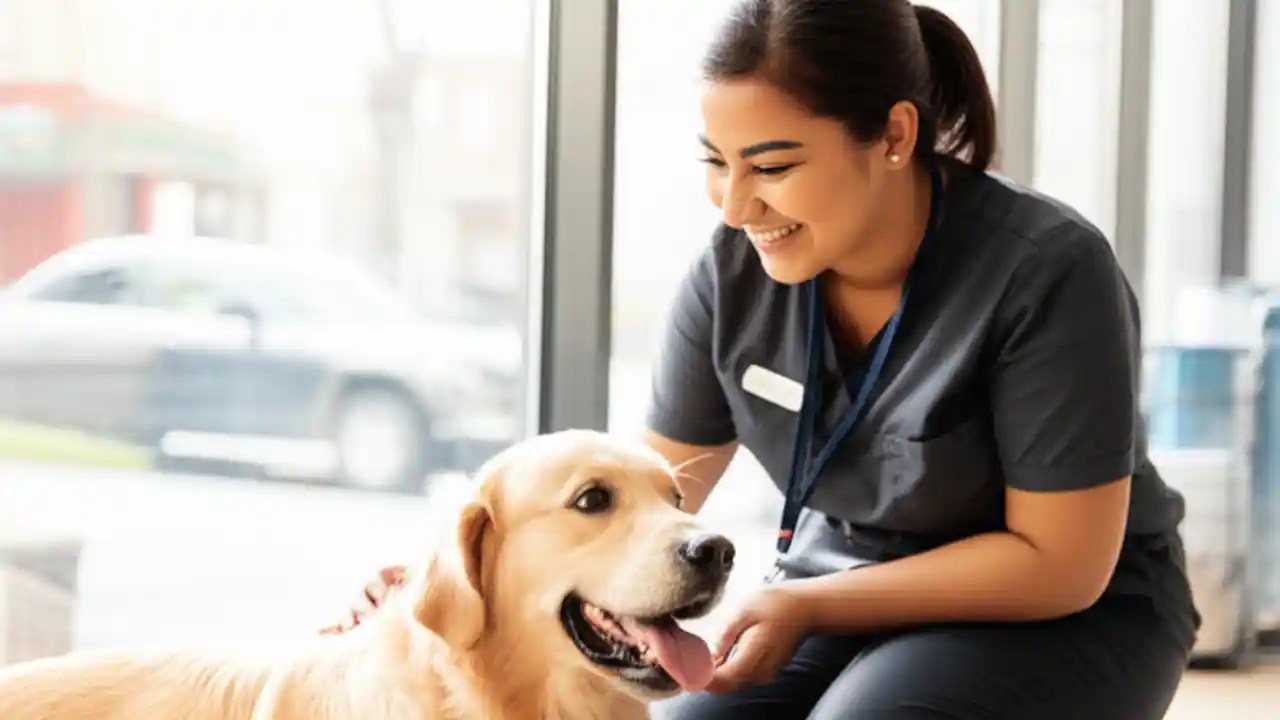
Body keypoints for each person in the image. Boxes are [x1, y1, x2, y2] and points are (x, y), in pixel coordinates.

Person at [336, 1, 1201, 717]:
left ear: (896, 134)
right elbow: (637, 497)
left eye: (774, 165)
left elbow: (1060, 563)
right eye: (717, 164)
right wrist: (450, 574)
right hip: (829, 593)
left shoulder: (1046, 269)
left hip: (1063, 613)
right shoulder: (732, 274)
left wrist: (807, 603)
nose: (739, 204)